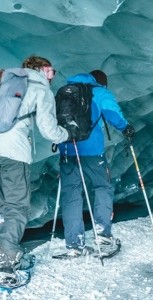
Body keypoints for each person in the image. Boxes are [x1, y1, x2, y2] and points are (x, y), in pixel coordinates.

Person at [0, 55, 72, 272]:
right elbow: (49, 130)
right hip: (13, 153)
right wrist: (66, 134)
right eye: (51, 71)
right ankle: (6, 258)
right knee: (15, 205)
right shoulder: (41, 90)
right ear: (42, 69)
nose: (52, 76)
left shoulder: (6, 82)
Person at [57, 70, 135, 257]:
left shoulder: (65, 91)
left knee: (71, 195)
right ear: (102, 82)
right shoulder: (99, 92)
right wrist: (126, 128)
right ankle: (103, 235)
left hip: (67, 150)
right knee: (102, 188)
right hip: (92, 152)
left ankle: (74, 244)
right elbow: (112, 114)